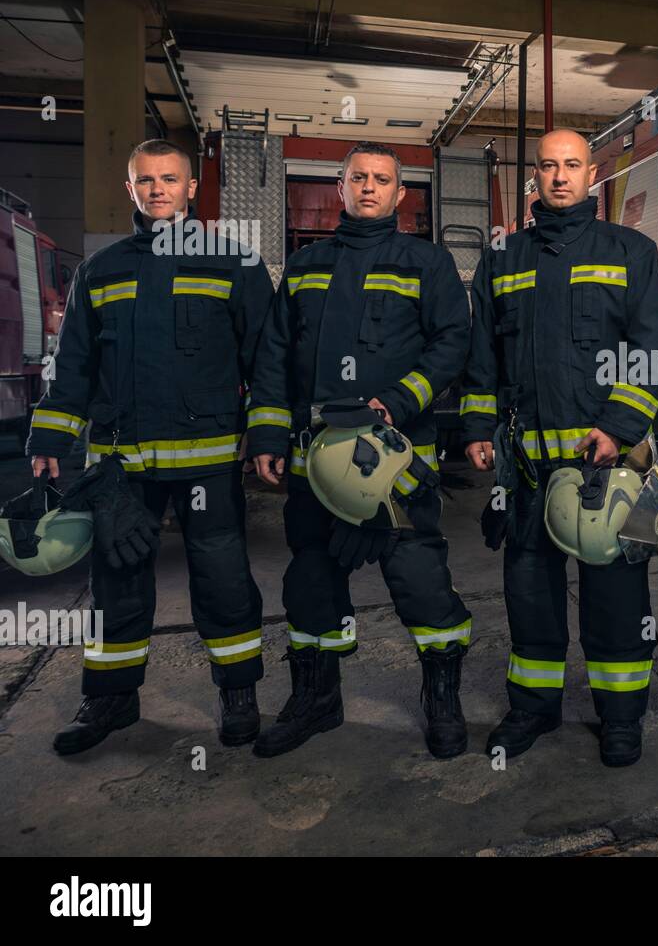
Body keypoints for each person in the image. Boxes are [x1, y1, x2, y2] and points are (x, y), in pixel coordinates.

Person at [29, 138, 273, 754]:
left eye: (170, 178)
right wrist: (52, 435)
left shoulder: (232, 264)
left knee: (223, 581)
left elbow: (269, 360)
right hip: (121, 467)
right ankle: (110, 701)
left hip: (209, 465)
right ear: (130, 189)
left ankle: (239, 693)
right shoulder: (101, 270)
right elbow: (74, 363)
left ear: (192, 188)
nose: (158, 188)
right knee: (116, 583)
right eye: (146, 179)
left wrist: (268, 433)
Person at [247, 143, 471, 759]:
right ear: (340, 188)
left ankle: (442, 699)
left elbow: (453, 344)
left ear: (401, 195)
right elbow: (273, 355)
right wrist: (266, 434)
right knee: (311, 583)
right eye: (358, 178)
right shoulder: (306, 264)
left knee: (421, 582)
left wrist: (398, 401)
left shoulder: (427, 262)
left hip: (396, 464)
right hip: (315, 466)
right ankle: (317, 701)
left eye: (383, 180)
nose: (369, 187)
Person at [460, 128, 658, 768]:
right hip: (525, 465)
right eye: (548, 167)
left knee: (615, 593)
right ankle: (533, 707)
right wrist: (476, 429)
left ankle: (621, 717)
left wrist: (619, 427)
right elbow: (482, 356)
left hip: (604, 461)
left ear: (592, 176)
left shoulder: (632, 251)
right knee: (529, 590)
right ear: (535, 178)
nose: (559, 177)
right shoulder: (503, 258)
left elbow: (654, 351)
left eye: (572, 165)